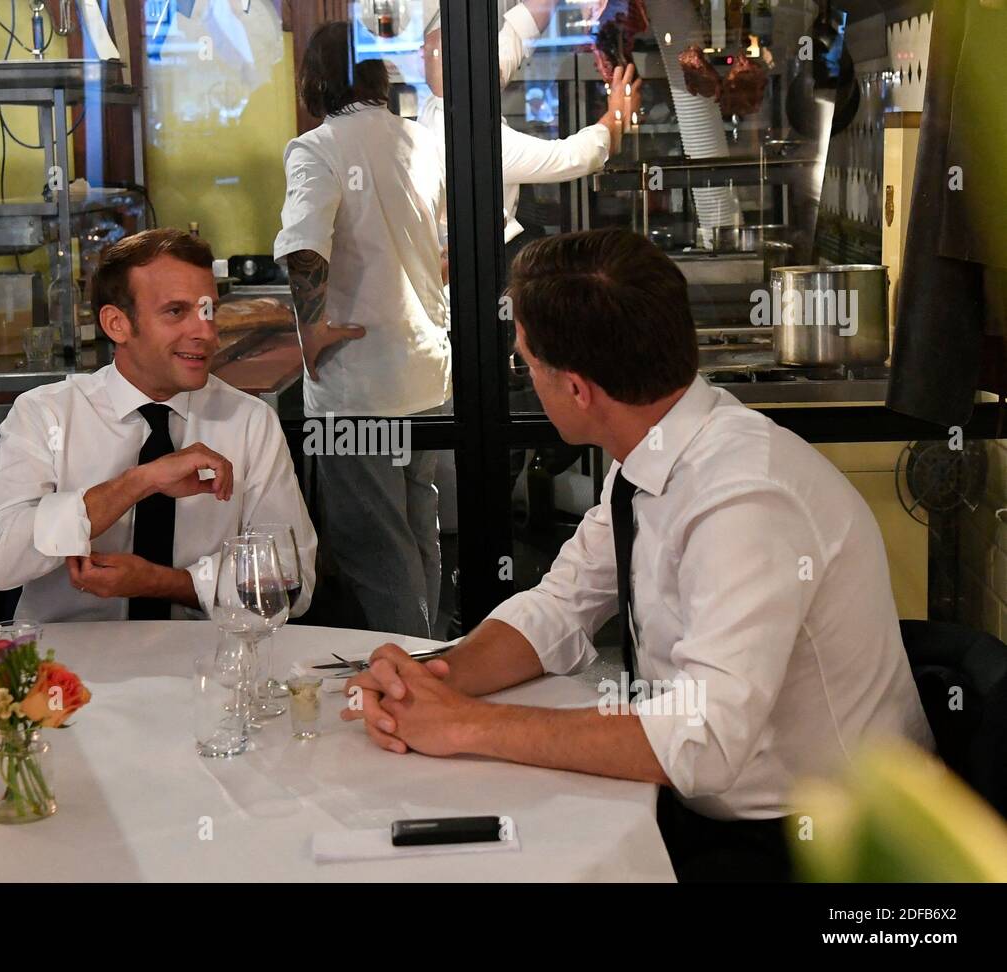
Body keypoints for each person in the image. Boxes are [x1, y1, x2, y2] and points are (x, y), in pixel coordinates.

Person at [343, 229, 934, 882]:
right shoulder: (652, 457)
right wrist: (433, 683)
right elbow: (560, 607)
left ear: (576, 390)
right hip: (714, 813)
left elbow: (703, 742)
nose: (525, 379)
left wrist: (468, 727)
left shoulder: (744, 498)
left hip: (834, 849)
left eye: (526, 364)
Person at [0, 228, 317, 623]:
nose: (205, 332)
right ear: (117, 324)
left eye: (208, 311)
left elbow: (292, 583)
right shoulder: (45, 414)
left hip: (209, 670)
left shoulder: (249, 421)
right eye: (176, 311)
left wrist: (162, 583)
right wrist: (139, 482)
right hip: (69, 673)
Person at [274, 22, 448, 638]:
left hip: (359, 391)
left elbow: (303, 247)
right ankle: (431, 656)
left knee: (375, 546)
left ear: (313, 82)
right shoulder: (423, 142)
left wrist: (312, 328)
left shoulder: (318, 148)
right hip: (428, 378)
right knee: (420, 529)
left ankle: (406, 677)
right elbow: (445, 249)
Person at [419, 0, 638, 261]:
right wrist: (616, 116)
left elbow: (512, 41)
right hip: (493, 255)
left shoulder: (442, 102)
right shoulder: (474, 141)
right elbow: (574, 156)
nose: (422, 51)